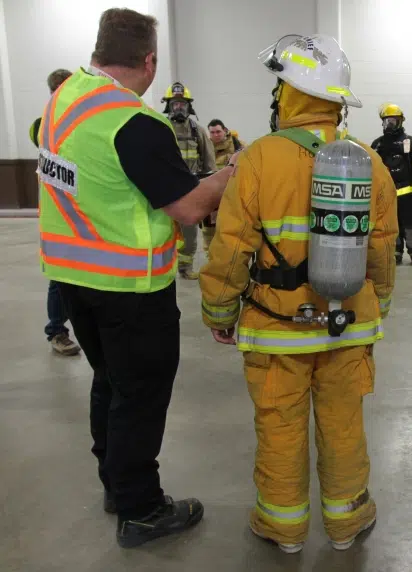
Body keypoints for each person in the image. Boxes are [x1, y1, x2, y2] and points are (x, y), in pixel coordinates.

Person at [37, 7, 235, 547]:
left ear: (98, 53)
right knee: (140, 396)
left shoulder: (65, 97)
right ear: (149, 61)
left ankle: (116, 485)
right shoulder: (135, 123)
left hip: (73, 276)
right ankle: (142, 509)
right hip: (130, 287)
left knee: (110, 382)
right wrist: (229, 175)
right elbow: (189, 207)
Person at [199, 32, 396, 553]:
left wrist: (218, 310)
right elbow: (382, 247)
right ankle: (347, 524)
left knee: (280, 428)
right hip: (347, 325)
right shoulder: (368, 161)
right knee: (344, 426)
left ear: (288, 93)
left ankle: (283, 529)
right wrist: (379, 305)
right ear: (335, 100)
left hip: (277, 328)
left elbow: (231, 248)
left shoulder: (258, 158)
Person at [28, 68, 81, 357]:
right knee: (60, 280)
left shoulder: (79, 120)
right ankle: (57, 331)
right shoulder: (44, 124)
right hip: (59, 219)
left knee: (82, 279)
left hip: (82, 216)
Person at [161, 81, 216, 279]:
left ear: (189, 106)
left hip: (189, 190)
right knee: (162, 230)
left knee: (189, 233)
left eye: (182, 104)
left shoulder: (197, 130)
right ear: (169, 106)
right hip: (163, 189)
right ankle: (163, 267)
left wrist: (209, 189)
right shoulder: (160, 127)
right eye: (175, 104)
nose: (178, 108)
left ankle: (185, 268)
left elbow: (209, 162)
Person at [371, 103, 412, 266]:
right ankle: (395, 252)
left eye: (393, 121)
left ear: (400, 122)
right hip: (386, 195)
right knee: (391, 224)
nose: (390, 124)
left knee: (411, 224)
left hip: (409, 195)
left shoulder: (411, 143)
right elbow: (372, 169)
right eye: (387, 121)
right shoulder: (377, 144)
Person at [202, 119, 244, 258]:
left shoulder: (238, 146)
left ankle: (231, 258)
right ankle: (211, 259)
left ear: (225, 131)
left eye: (218, 131)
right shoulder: (205, 147)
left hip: (232, 196)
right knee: (209, 231)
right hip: (211, 197)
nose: (215, 135)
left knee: (231, 229)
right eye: (212, 132)